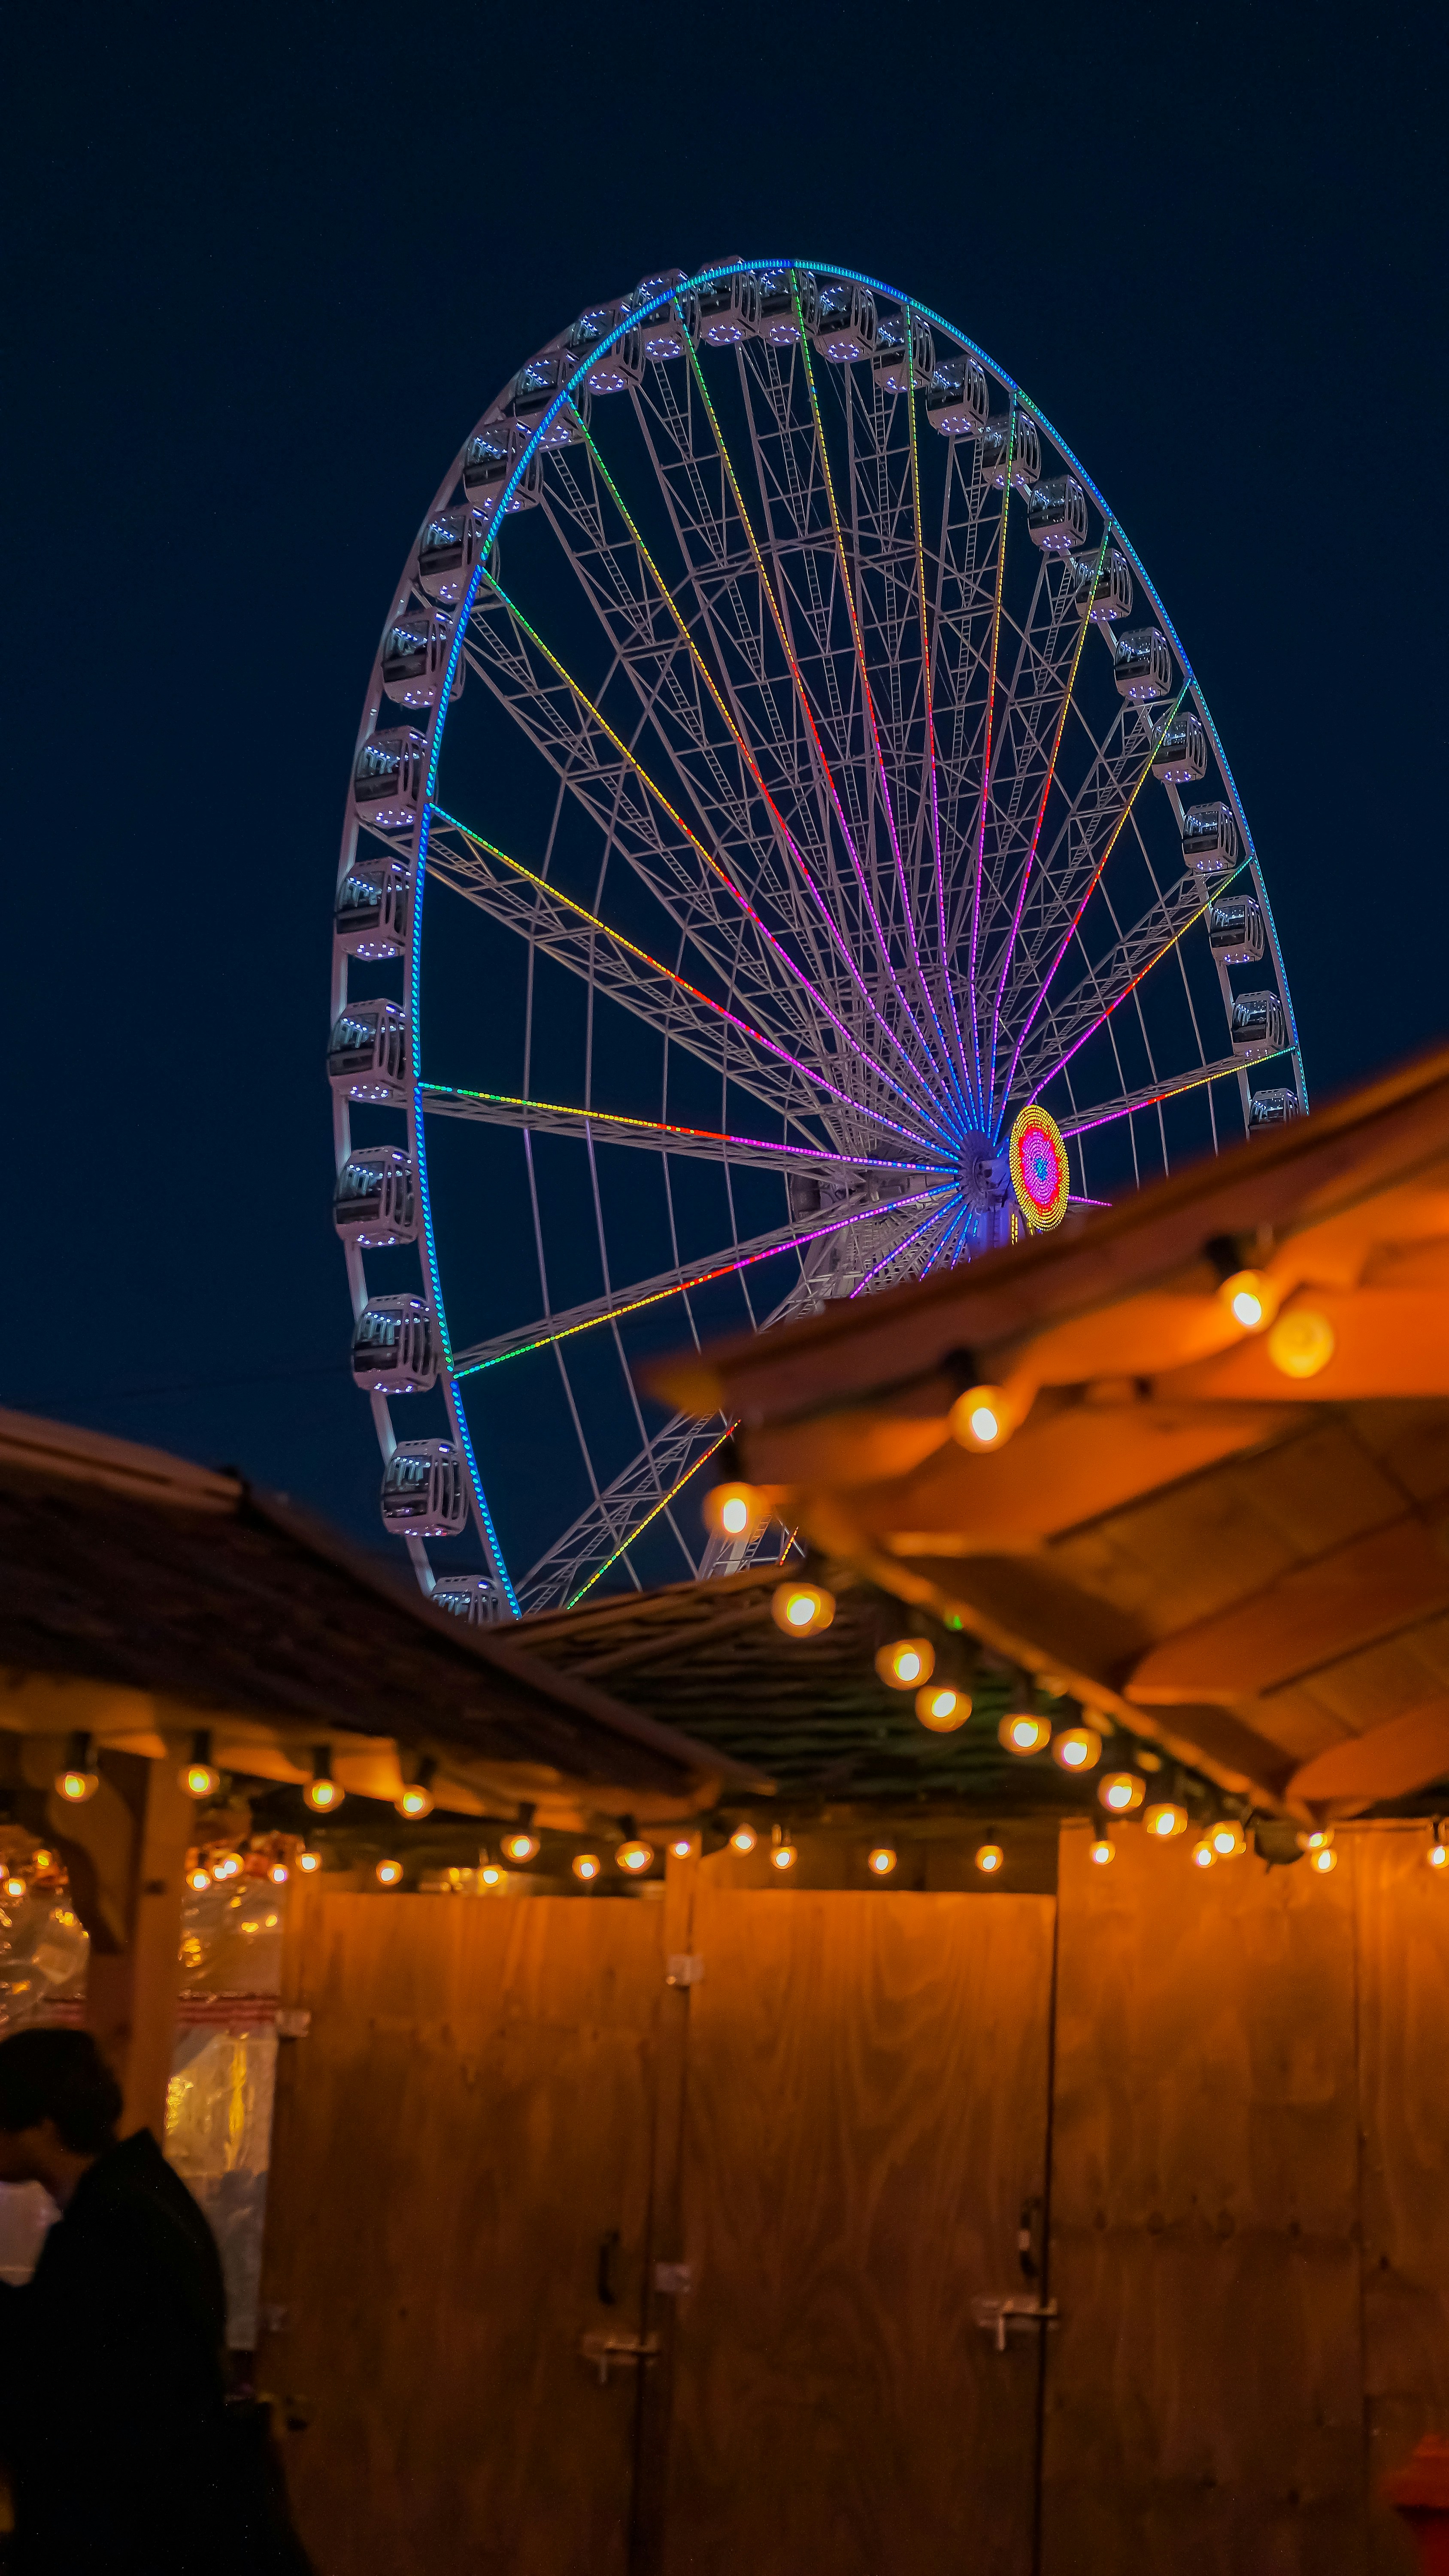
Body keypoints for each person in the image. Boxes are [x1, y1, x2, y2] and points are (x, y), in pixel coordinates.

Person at [0, 2026, 228, 2574]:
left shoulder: (115, 2223)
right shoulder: (138, 2196)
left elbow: (56, 2375)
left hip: (124, 2534)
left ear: (43, 2123)